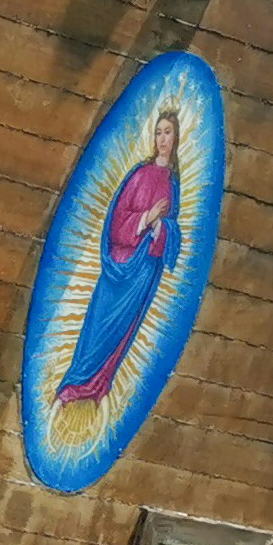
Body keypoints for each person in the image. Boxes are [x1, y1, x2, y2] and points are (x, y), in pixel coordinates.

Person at [55, 104, 184, 405]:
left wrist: (160, 226)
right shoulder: (140, 174)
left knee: (124, 330)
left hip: (144, 272)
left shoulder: (173, 186)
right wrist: (146, 218)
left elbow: (172, 234)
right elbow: (115, 223)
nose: (163, 139)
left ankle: (99, 387)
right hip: (120, 267)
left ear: (176, 137)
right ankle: (73, 384)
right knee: (98, 325)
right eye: (158, 133)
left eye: (168, 132)